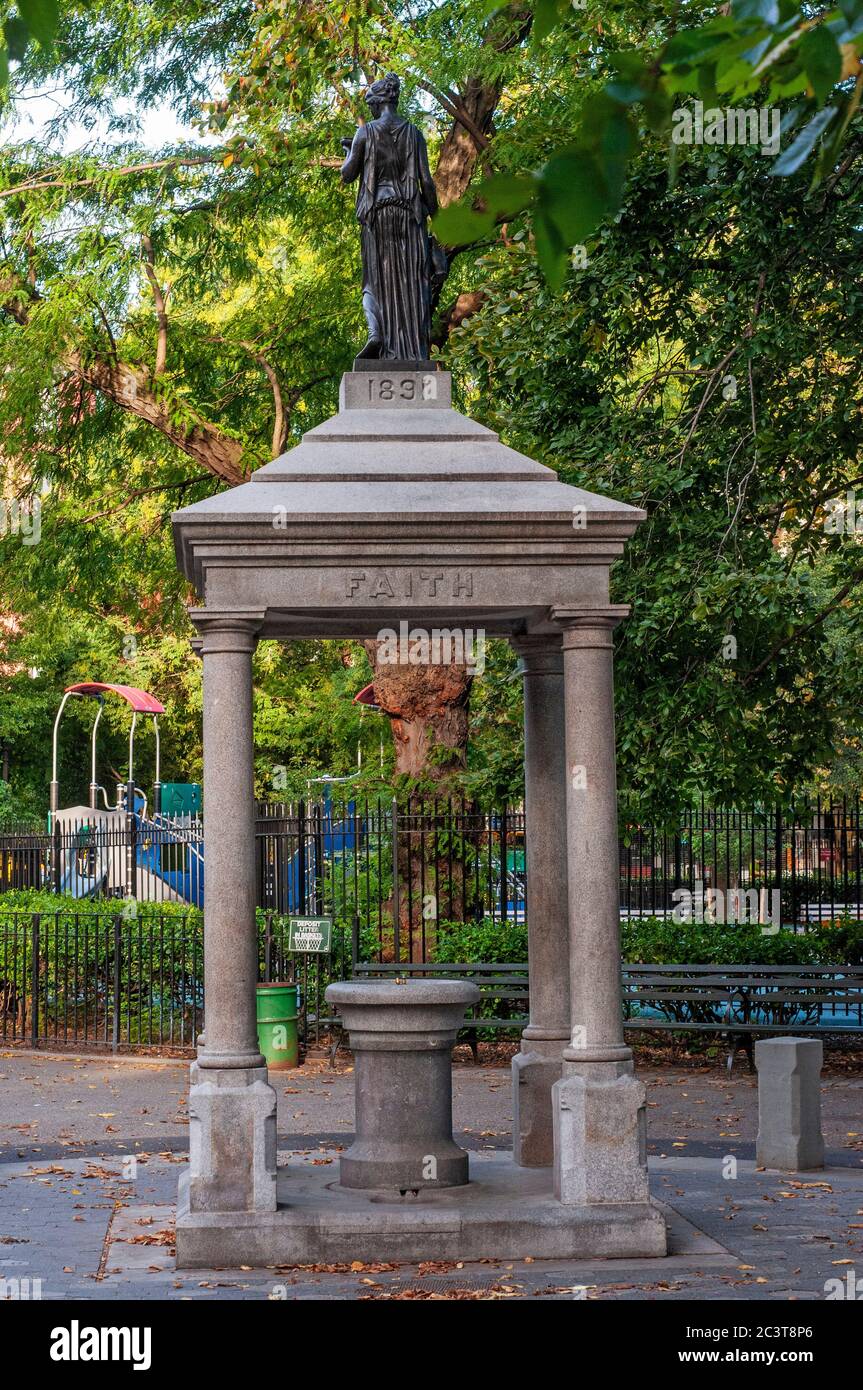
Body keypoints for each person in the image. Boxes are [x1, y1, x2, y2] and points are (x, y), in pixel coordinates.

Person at [340, 73, 439, 363]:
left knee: (375, 281)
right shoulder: (414, 133)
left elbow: (347, 174)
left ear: (378, 102)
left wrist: (349, 151)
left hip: (379, 214)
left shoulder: (365, 132)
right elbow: (427, 184)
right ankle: (412, 351)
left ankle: (378, 334)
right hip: (410, 216)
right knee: (412, 281)